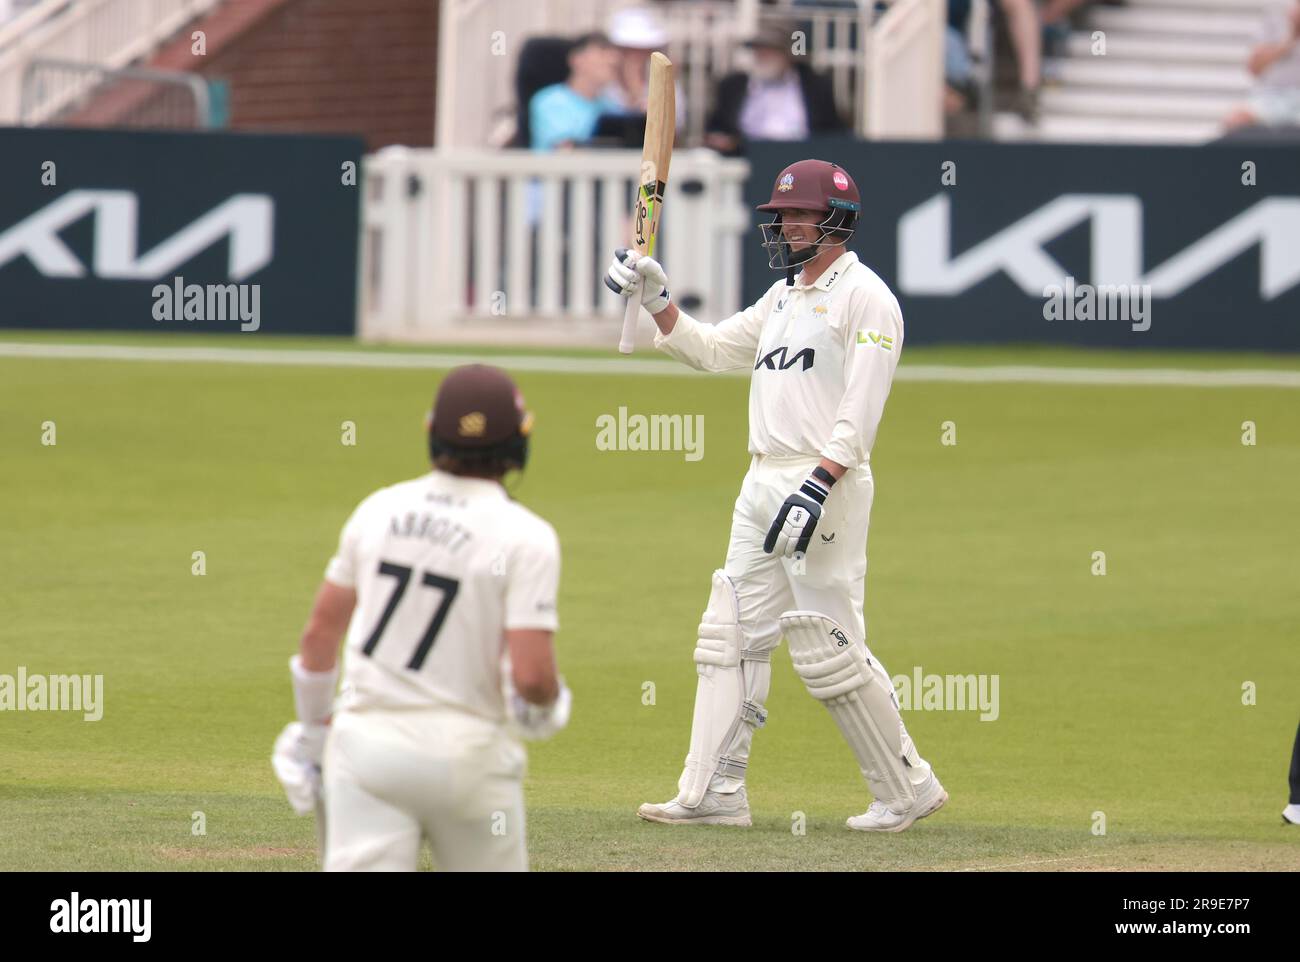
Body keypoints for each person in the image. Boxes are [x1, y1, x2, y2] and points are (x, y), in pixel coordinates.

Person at [604, 159, 946, 832]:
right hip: (760, 480)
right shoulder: (782, 298)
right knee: (729, 633)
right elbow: (708, 351)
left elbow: (862, 405)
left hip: (823, 484)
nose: (786, 225)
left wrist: (820, 483)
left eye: (798, 214)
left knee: (828, 644)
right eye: (781, 215)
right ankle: (716, 791)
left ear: (835, 220)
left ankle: (908, 788)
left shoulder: (866, 298)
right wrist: (655, 296)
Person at [272, 365, 571, 871]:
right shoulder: (528, 536)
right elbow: (533, 677)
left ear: (433, 434)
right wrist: (548, 706)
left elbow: (318, 636)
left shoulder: (378, 509)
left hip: (368, 750)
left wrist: (314, 733)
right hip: (469, 758)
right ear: (518, 445)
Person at [705, 20, 846, 156]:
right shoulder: (733, 85)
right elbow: (716, 129)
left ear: (787, 53)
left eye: (769, 50)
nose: (761, 56)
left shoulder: (815, 86)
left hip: (802, 161)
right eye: (758, 50)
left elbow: (833, 131)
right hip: (745, 161)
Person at [529, 32, 623, 151]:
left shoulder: (611, 106)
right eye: (602, 52)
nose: (613, 60)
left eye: (615, 54)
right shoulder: (550, 101)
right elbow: (565, 149)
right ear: (576, 59)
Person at [1225, 0, 1300, 130]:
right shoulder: (1276, 13)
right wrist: (1291, 37)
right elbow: (1254, 68)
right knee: (1236, 120)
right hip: (1271, 97)